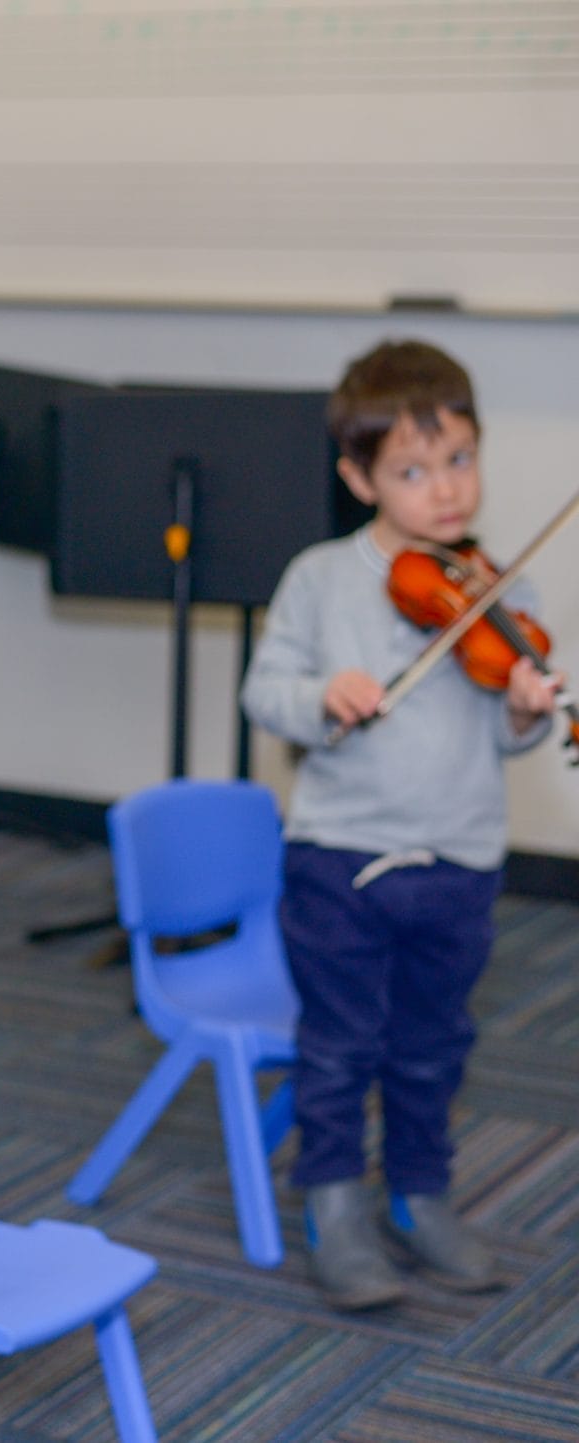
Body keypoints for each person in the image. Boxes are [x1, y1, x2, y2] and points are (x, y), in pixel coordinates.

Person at [241, 339, 560, 1311]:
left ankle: (420, 1195)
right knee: (339, 1046)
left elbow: (504, 739)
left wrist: (523, 710)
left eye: (460, 459)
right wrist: (321, 695)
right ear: (359, 477)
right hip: (340, 859)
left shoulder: (499, 591)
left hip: (459, 858)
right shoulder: (319, 577)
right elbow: (264, 690)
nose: (446, 490)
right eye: (413, 472)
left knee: (433, 1046)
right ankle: (334, 1202)